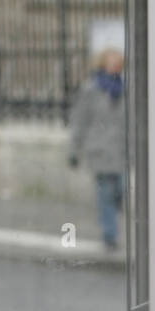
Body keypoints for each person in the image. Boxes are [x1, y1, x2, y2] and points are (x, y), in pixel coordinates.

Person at [68, 49, 126, 251]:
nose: (115, 65)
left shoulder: (125, 88)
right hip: (100, 150)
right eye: (112, 61)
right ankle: (110, 235)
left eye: (118, 61)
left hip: (121, 151)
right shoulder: (91, 89)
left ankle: (109, 226)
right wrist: (74, 151)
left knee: (121, 191)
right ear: (103, 63)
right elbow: (80, 121)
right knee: (106, 194)